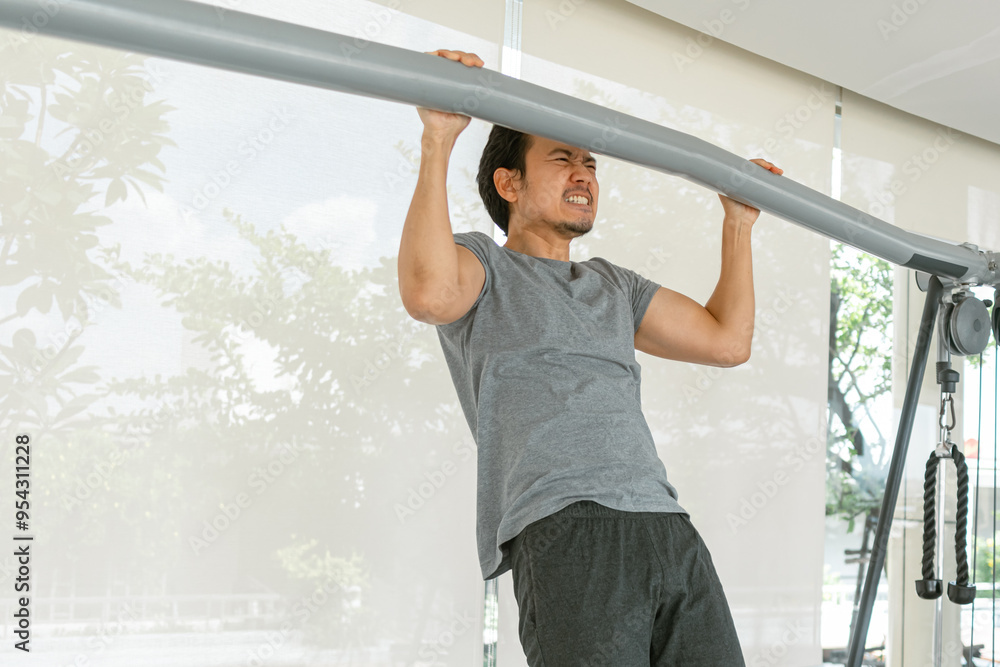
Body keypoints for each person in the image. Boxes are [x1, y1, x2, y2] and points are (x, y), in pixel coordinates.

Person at [398, 48, 784, 667]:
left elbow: (727, 341)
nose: (584, 175)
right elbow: (428, 293)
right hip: (568, 528)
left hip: (665, 521)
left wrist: (737, 224)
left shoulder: (614, 286)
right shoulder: (482, 265)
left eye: (590, 163)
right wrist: (439, 136)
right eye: (562, 159)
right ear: (509, 183)